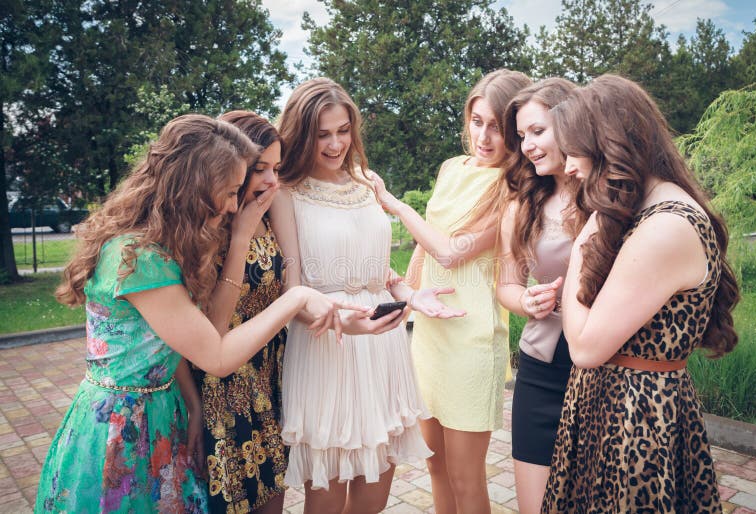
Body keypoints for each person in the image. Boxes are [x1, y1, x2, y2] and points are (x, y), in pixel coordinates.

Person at [35, 114, 358, 513]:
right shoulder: (141, 260)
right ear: (193, 184)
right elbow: (216, 356)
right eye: (227, 191)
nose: (230, 204)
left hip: (160, 410)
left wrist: (191, 403)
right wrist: (295, 299)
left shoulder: (160, 246)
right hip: (122, 431)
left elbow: (189, 340)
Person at [542, 74, 739, 512]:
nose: (569, 166)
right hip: (611, 406)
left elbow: (587, 347)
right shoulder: (643, 209)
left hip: (636, 422)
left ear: (609, 145)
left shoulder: (666, 227)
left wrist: (583, 243)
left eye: (574, 151)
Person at [272, 77, 461, 514]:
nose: (336, 143)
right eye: (323, 134)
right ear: (301, 135)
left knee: (372, 502)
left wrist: (411, 296)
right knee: (327, 503)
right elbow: (292, 290)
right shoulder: (286, 193)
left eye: (343, 130)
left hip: (383, 346)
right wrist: (343, 322)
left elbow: (377, 269)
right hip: (328, 345)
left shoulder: (365, 181)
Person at [371, 68, 531, 514]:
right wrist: (405, 299)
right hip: (431, 336)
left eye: (496, 126)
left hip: (472, 339)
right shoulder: (451, 168)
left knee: (465, 477)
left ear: (514, 130)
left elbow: (449, 251)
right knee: (435, 466)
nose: (484, 136)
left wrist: (396, 204)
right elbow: (425, 250)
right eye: (477, 121)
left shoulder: (512, 188)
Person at [190, 111, 291, 514]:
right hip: (226, 388)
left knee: (274, 498)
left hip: (271, 377)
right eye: (260, 169)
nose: (271, 180)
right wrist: (241, 235)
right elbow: (212, 325)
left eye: (276, 168)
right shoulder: (209, 224)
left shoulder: (268, 213)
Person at [493, 78, 585, 514]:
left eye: (538, 131)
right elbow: (506, 284)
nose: (528, 145)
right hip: (540, 370)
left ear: (571, 125)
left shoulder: (610, 197)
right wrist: (525, 302)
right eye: (522, 136)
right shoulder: (521, 205)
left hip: (603, 369)